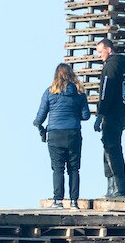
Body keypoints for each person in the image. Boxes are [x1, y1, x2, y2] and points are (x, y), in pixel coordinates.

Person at [34, 64, 90, 209]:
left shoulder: (49, 92)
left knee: (58, 169)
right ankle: (74, 202)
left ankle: (58, 201)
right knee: (74, 169)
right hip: (73, 134)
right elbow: (86, 115)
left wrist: (38, 124)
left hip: (54, 134)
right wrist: (73, 113)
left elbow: (40, 116)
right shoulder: (79, 93)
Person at [93, 38, 125, 198]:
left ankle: (118, 188)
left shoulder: (111, 66)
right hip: (121, 113)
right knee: (110, 146)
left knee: (112, 147)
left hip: (112, 113)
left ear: (108, 49)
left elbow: (105, 91)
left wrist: (100, 113)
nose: (99, 56)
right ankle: (112, 187)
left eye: (101, 52)